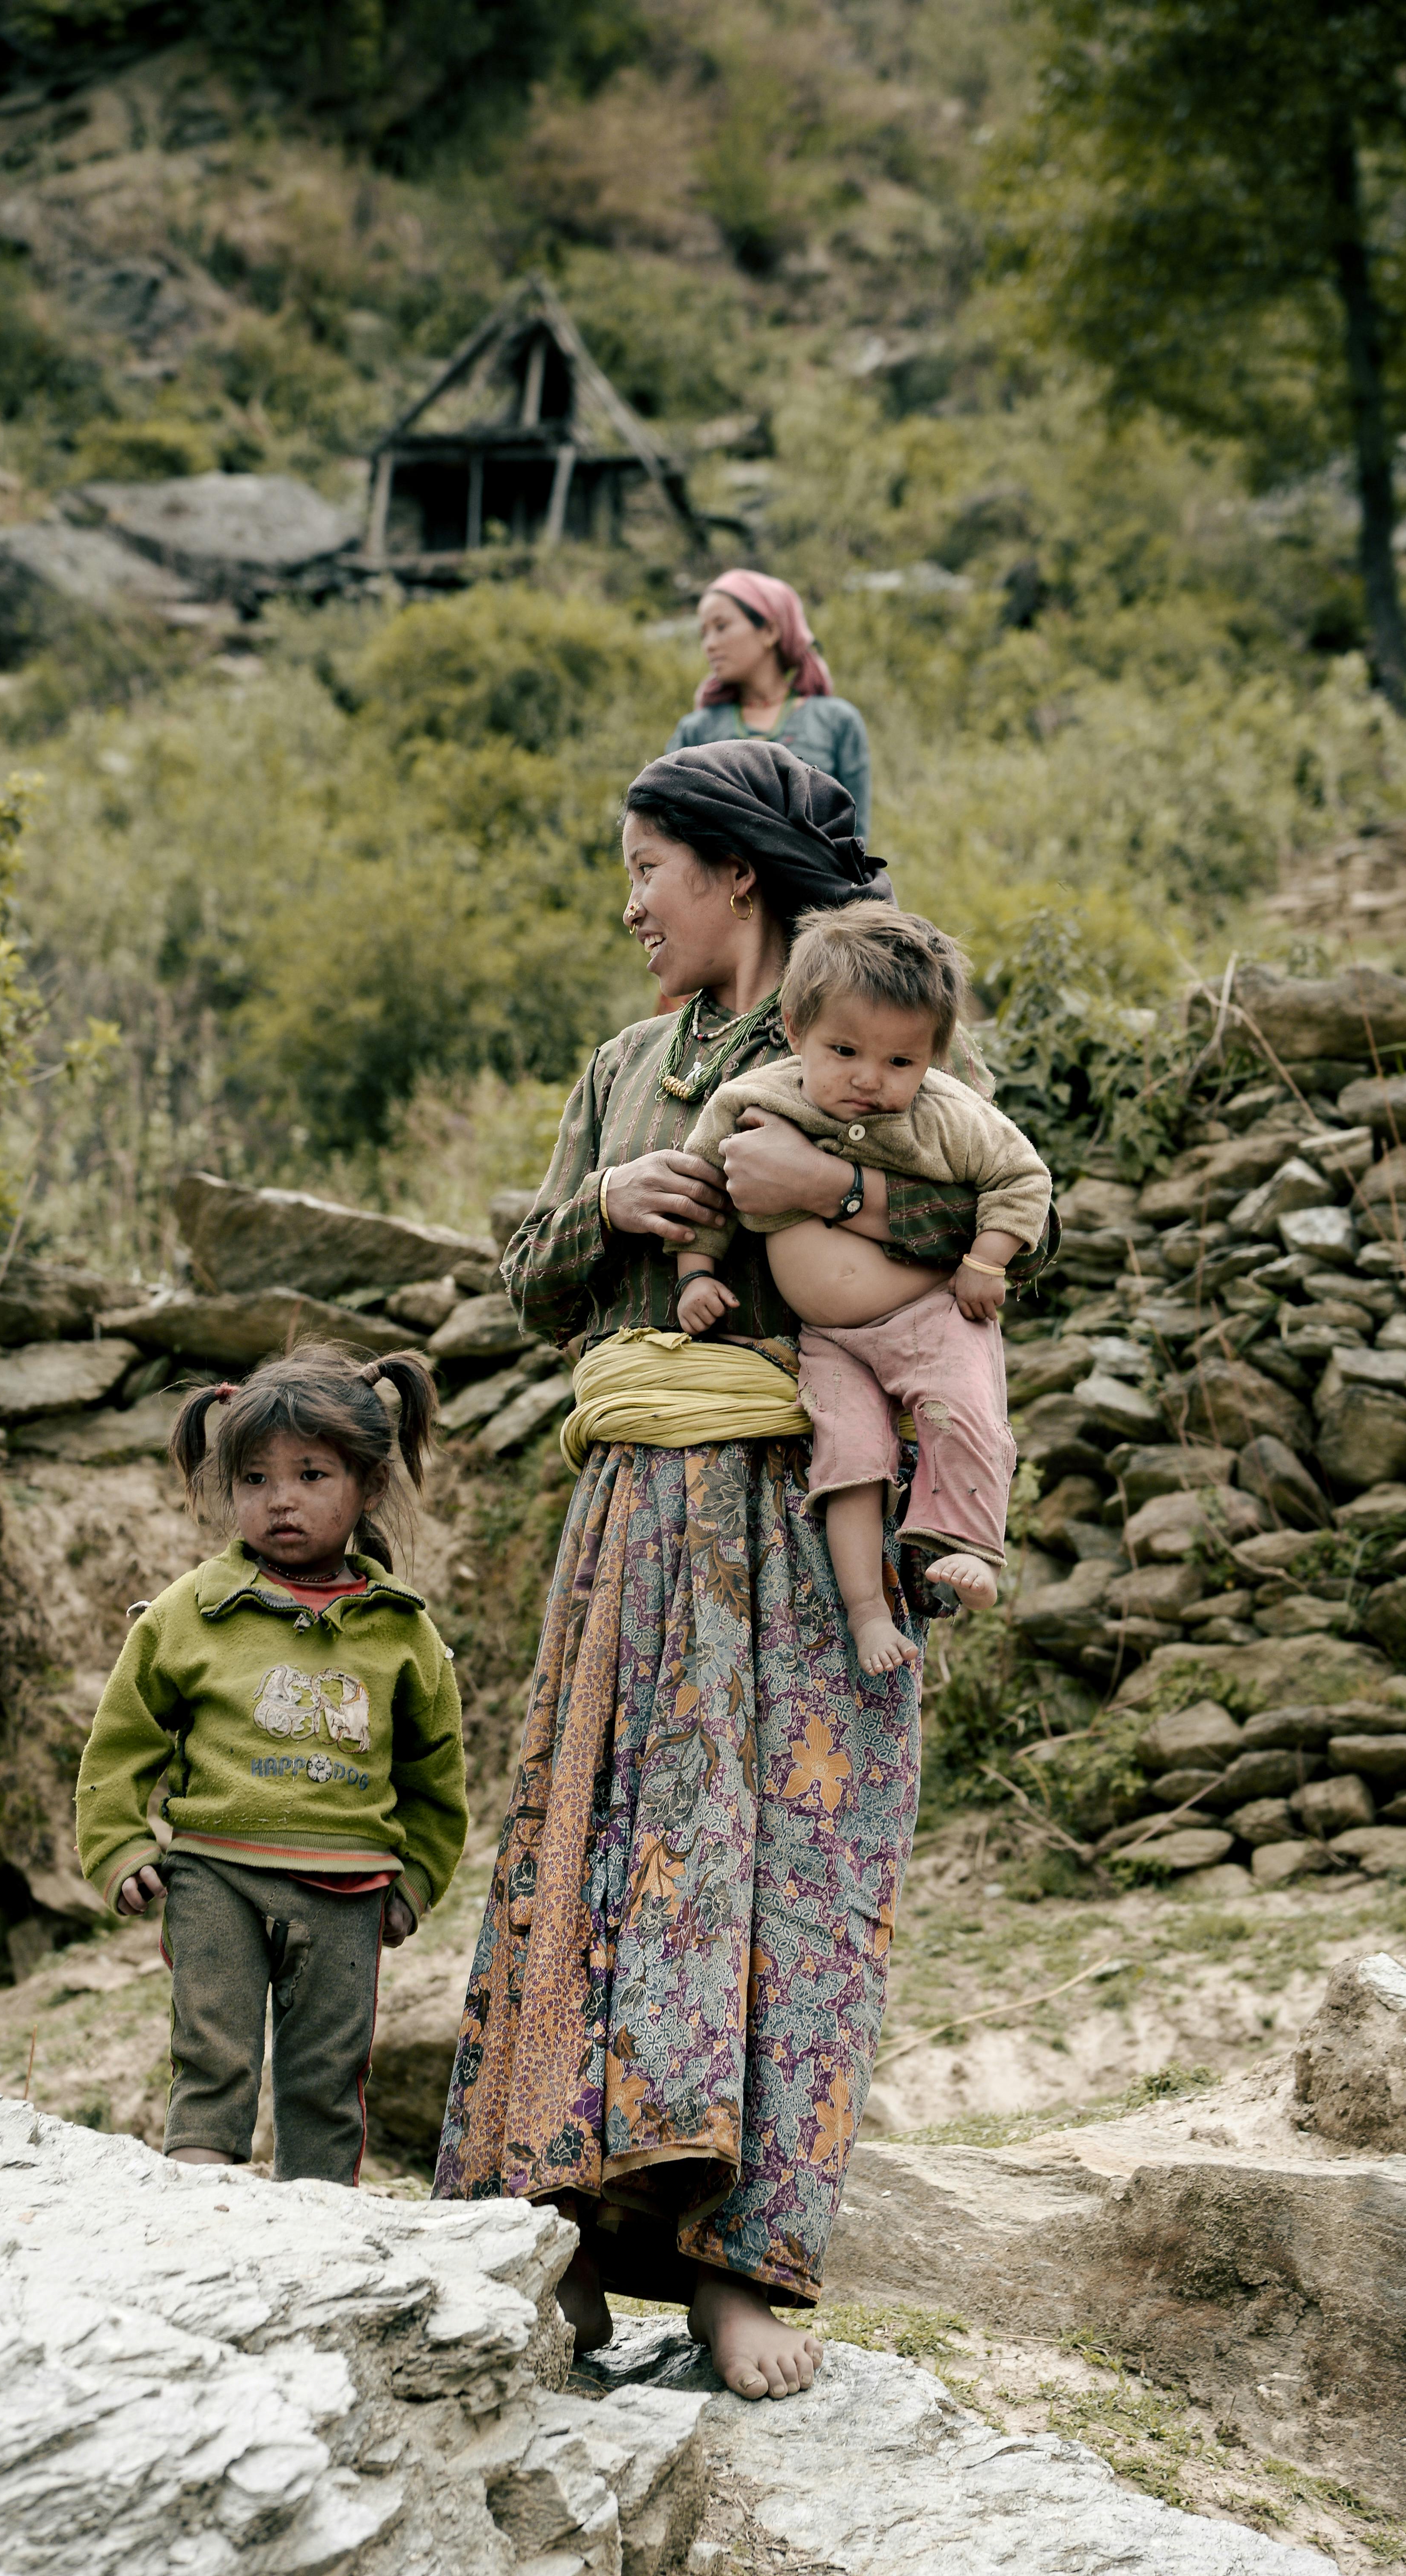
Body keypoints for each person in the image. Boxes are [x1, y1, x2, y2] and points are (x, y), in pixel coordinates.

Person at [433, 738, 1051, 2403]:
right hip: (638, 1518)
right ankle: (550, 2244)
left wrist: (832, 1185)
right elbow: (526, 1289)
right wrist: (604, 1215)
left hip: (816, 1509)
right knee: (595, 1867)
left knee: (803, 1882)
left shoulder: (879, 1053)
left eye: (649, 868)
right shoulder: (625, 1068)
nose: (630, 902)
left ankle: (742, 2271)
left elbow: (997, 1242)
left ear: (739, 875)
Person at [74, 1346, 469, 2188]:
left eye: (312, 1473)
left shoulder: (403, 1632)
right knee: (211, 2062)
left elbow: (438, 1782)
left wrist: (418, 1880)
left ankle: (317, 2242)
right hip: (216, 1873)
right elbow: (121, 1740)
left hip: (348, 1891)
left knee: (327, 2083)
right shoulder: (190, 1613)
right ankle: (197, 2216)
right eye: (254, 1478)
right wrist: (118, 1847)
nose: (281, 1498)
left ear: (367, 1484)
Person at [675, 902, 1053, 1676]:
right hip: (830, 1342)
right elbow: (704, 1188)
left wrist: (985, 1261)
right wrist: (695, 1273)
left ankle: (975, 1546)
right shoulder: (757, 1102)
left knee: (964, 1412)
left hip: (932, 1316)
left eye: (899, 1064)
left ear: (934, 1057)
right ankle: (867, 1611)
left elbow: (1022, 1179)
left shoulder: (950, 1115)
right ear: (793, 1027)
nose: (869, 1081)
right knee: (848, 1460)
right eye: (844, 1051)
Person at [666, 570, 873, 837]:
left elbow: (856, 839)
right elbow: (671, 832)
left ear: (769, 631)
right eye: (703, 633)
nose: (709, 645)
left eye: (721, 627)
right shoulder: (696, 731)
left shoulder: (837, 722)